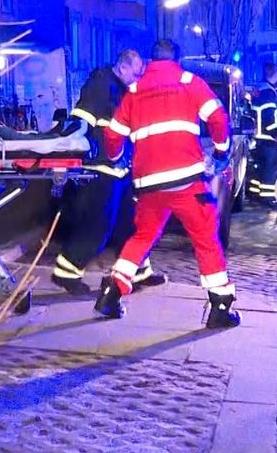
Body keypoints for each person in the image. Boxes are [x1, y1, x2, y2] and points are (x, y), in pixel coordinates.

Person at [94, 39, 240, 329]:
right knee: (205, 238)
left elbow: (112, 135)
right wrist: (222, 151)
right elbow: (218, 118)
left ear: (150, 60)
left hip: (148, 183)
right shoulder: (189, 81)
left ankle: (112, 293)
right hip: (186, 180)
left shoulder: (134, 91)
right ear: (178, 58)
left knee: (142, 236)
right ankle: (220, 306)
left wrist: (119, 158)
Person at [50, 50, 167, 295]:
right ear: (123, 68)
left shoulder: (121, 88)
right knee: (98, 224)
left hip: (119, 167)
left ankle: (137, 271)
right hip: (101, 168)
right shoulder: (100, 84)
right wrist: (63, 151)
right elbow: (80, 120)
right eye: (135, 73)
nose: (138, 79)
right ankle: (66, 272)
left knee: (129, 223)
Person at [247, 63, 277, 211]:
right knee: (271, 169)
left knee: (260, 168)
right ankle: (268, 198)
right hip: (268, 139)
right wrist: (276, 134)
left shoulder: (260, 90)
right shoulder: (269, 93)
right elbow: (270, 117)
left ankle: (255, 195)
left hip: (258, 138)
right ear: (275, 75)